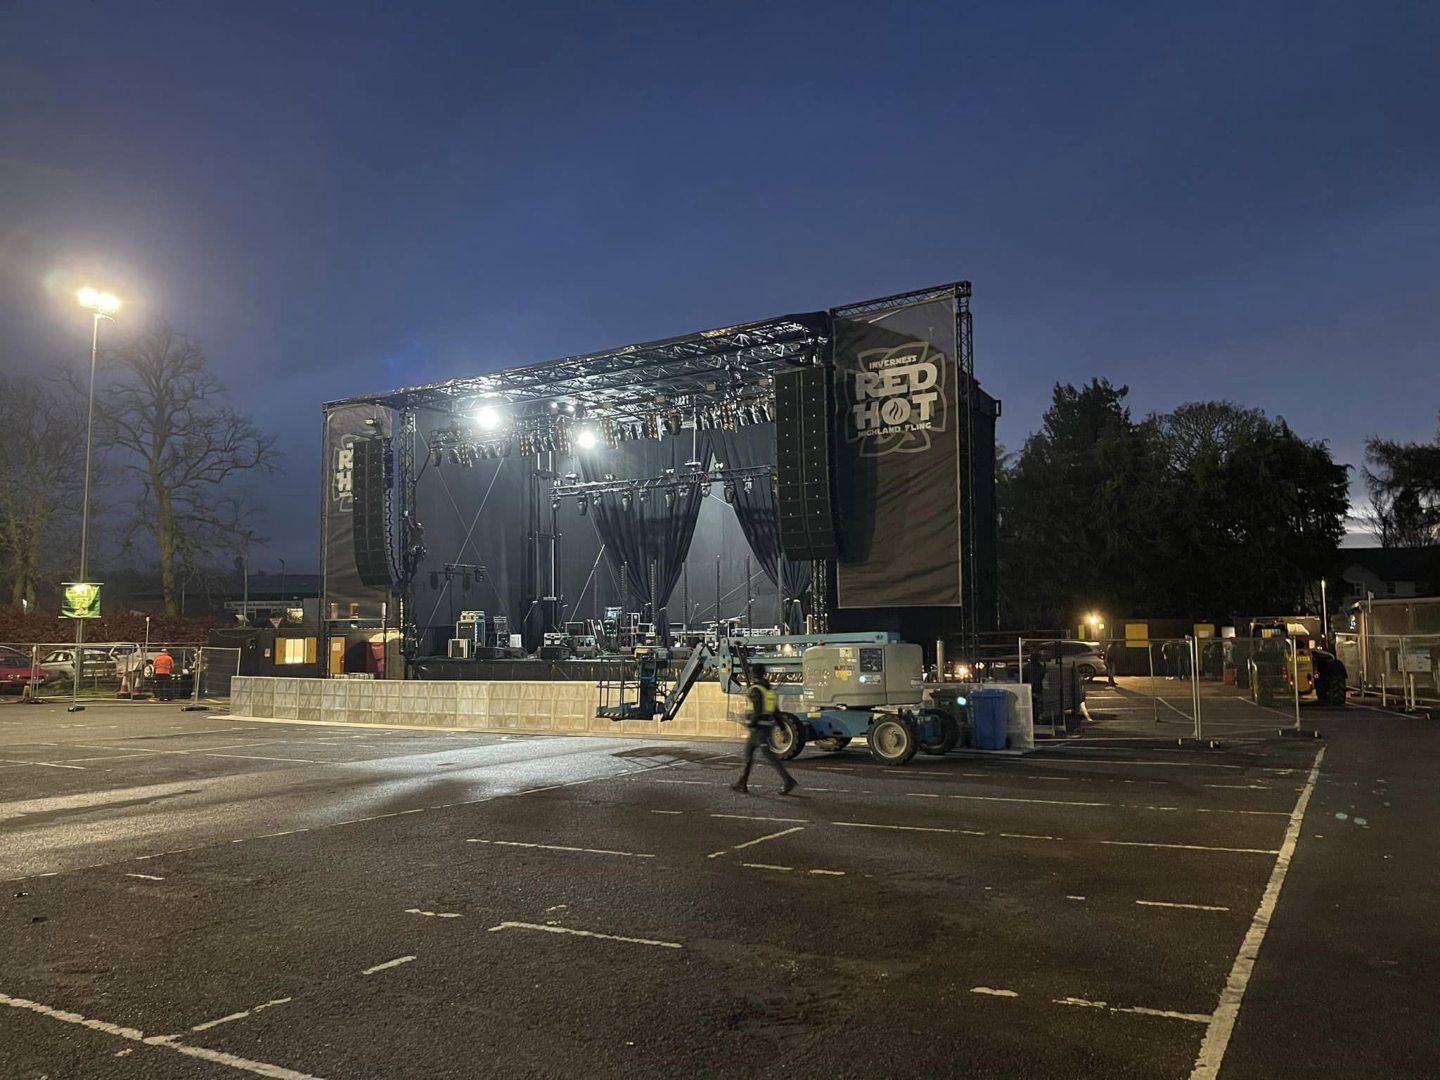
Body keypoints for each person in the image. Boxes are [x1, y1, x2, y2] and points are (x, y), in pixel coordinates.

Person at [732, 665, 796, 796]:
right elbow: (776, 712)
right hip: (765, 727)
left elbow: (758, 711)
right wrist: (782, 728)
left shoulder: (755, 690)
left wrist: (750, 722)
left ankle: (788, 780)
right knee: (748, 754)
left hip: (758, 729)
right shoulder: (769, 692)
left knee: (768, 757)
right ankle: (742, 783)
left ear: (753, 674)